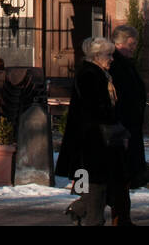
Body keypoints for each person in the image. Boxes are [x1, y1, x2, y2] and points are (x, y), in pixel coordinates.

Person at [55, 36, 132, 226]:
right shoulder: (89, 74)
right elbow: (94, 110)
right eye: (108, 55)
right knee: (97, 185)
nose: (112, 59)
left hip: (102, 141)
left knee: (107, 185)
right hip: (92, 142)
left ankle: (80, 210)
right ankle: (91, 219)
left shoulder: (102, 74)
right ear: (96, 56)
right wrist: (114, 124)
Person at [109, 24, 149, 187]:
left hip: (131, 126)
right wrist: (120, 130)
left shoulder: (126, 63)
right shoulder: (114, 64)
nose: (134, 48)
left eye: (134, 44)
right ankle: (85, 208)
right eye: (131, 44)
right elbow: (115, 99)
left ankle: (119, 211)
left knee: (124, 178)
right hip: (123, 127)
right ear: (119, 44)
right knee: (120, 177)